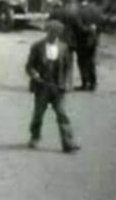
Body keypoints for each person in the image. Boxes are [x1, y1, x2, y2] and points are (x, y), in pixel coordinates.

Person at [26, 20, 81, 153]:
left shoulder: (64, 48)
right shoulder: (37, 47)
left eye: (57, 33)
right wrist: (34, 74)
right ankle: (35, 136)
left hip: (58, 87)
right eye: (51, 32)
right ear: (47, 32)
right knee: (38, 114)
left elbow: (68, 68)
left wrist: (67, 84)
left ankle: (68, 142)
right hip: (42, 87)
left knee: (62, 114)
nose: (54, 35)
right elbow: (29, 66)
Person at [76, 0, 104, 92]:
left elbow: (78, 26)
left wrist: (87, 29)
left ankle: (85, 83)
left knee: (82, 61)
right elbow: (101, 24)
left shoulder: (78, 11)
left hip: (82, 39)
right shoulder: (95, 9)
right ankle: (93, 82)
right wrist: (96, 33)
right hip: (93, 39)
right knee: (91, 61)